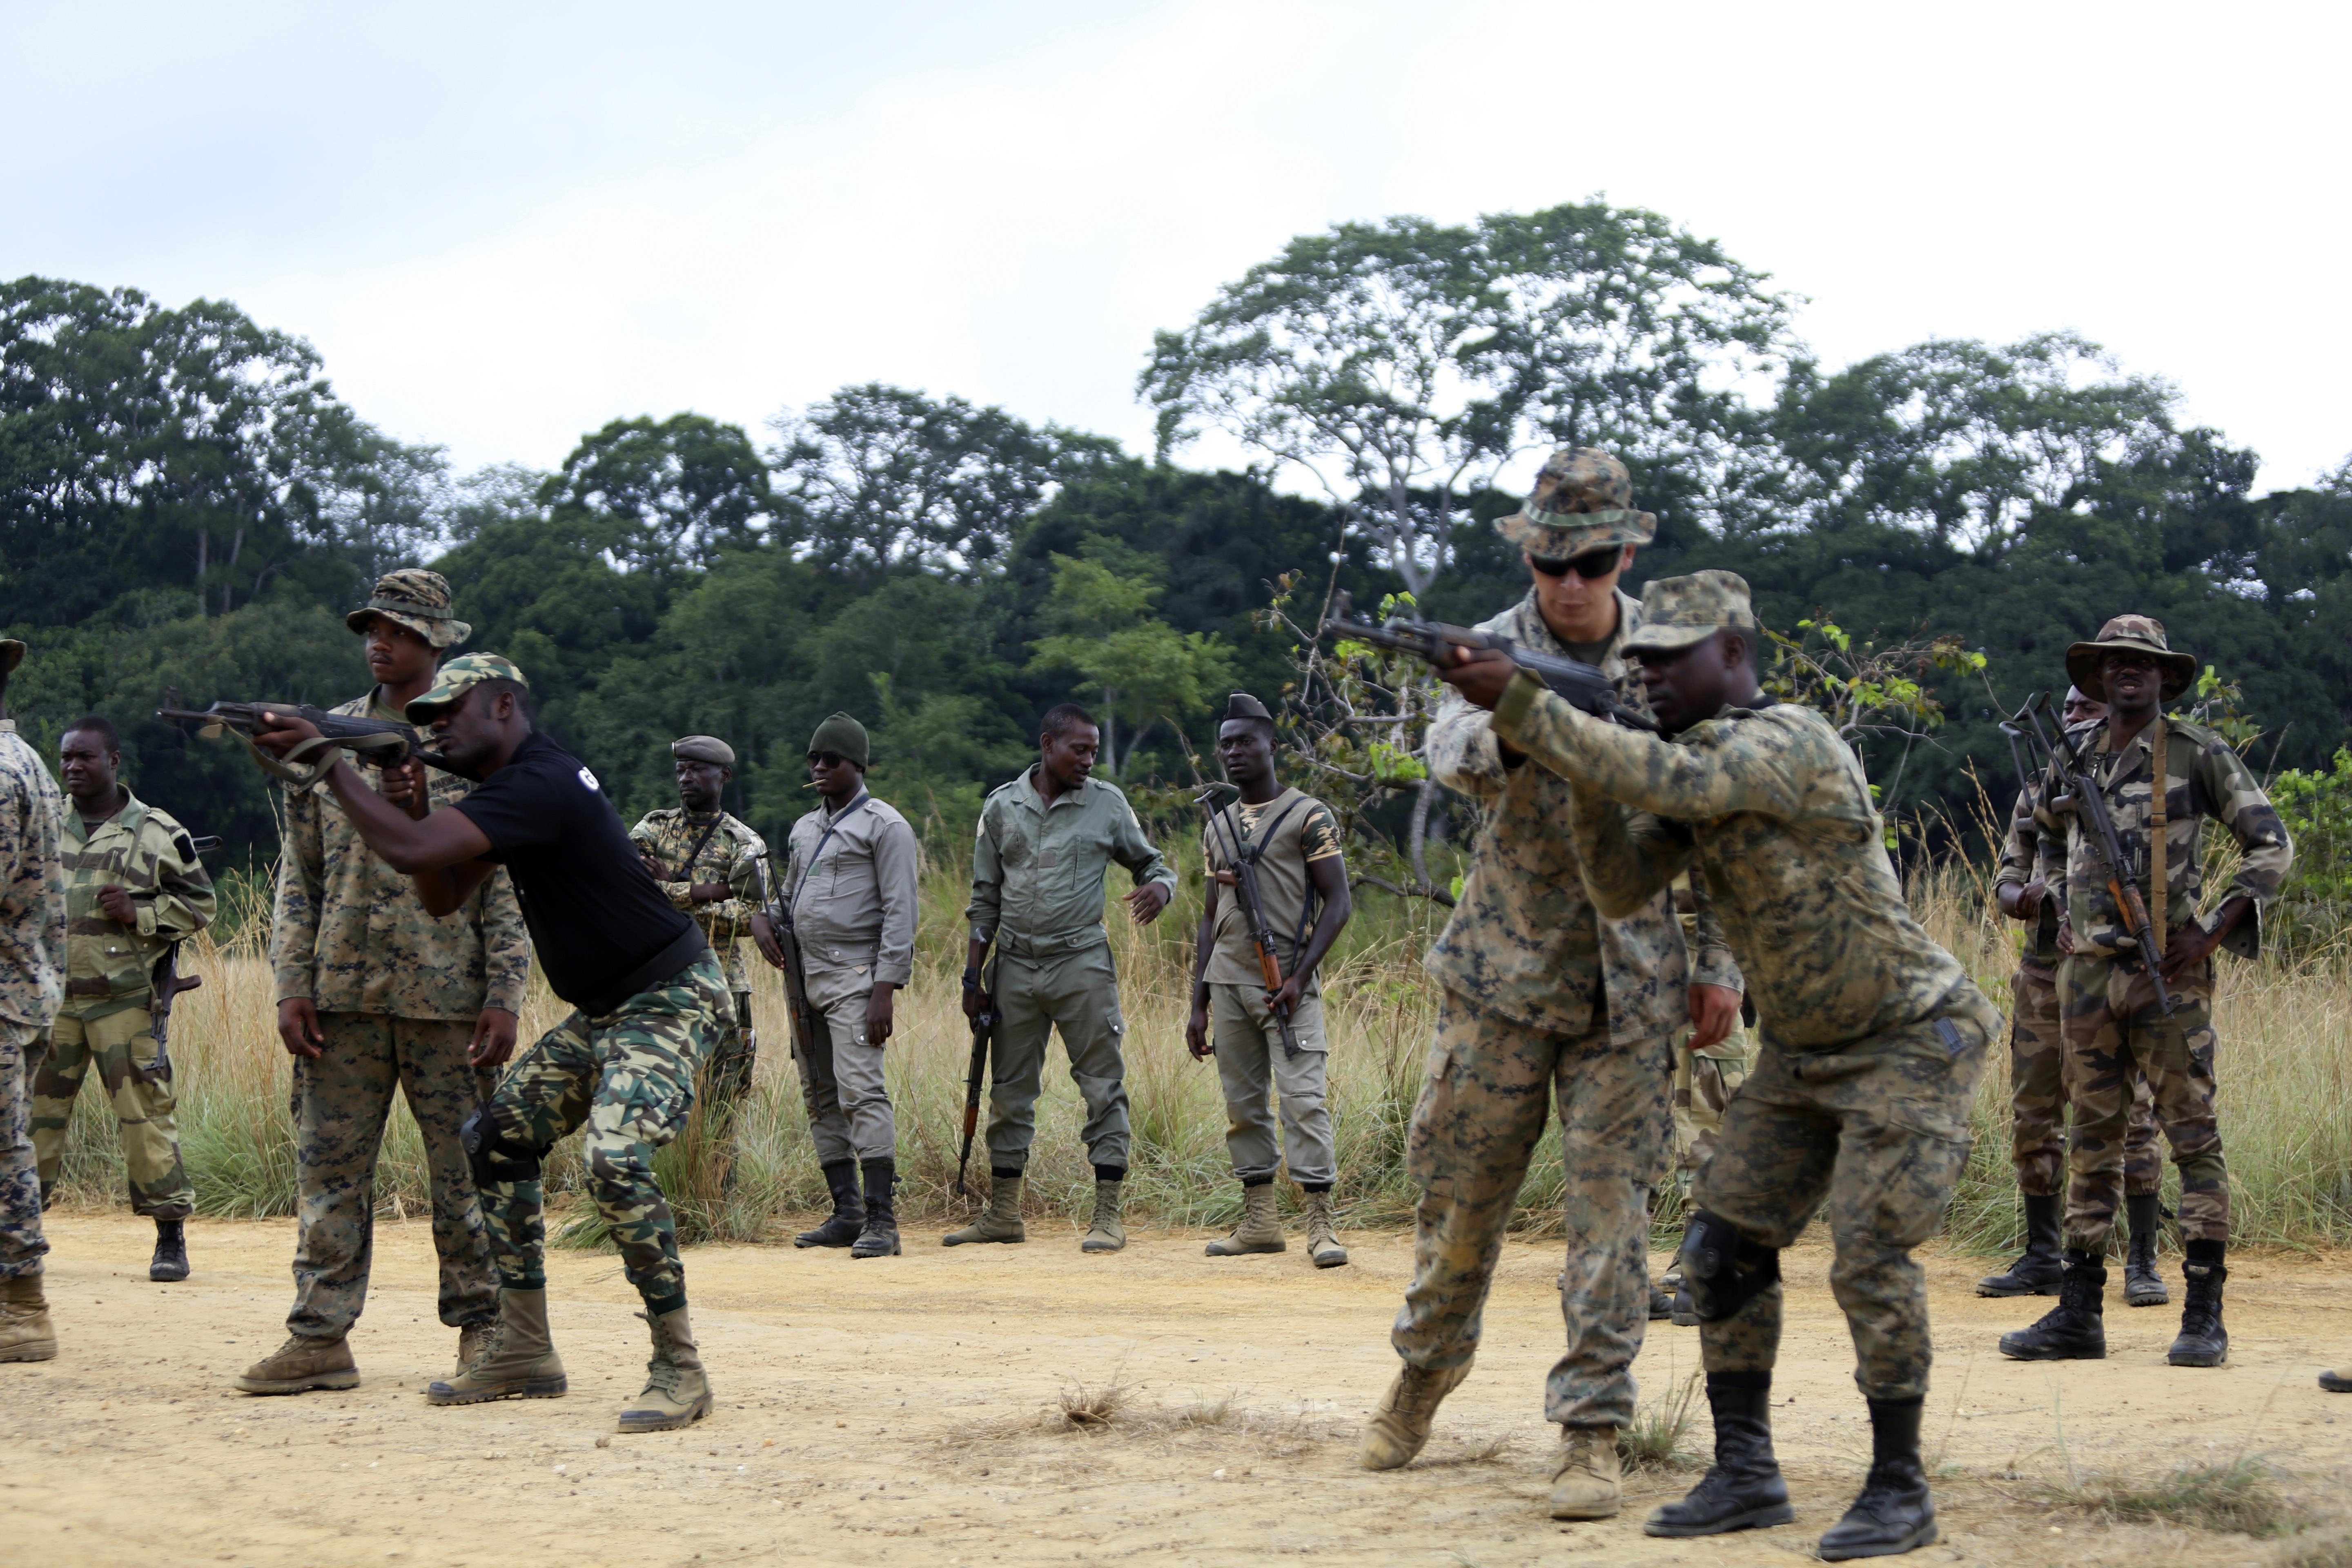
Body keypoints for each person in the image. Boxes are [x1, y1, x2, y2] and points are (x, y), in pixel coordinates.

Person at [1434, 569, 2002, 1560]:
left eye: (1668, 659)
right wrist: (1575, 767)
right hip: (1802, 1055)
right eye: (1638, 661)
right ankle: (1746, 1472)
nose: (1646, 675)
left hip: (1909, 1037)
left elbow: (1669, 784)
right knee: (1719, 1250)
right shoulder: (1683, 763)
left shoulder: (1784, 742)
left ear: (1733, 654)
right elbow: (1619, 883)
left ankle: (1899, 1487)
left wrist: (1529, 706)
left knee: (1868, 1256)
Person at [1360, 450, 1743, 1526]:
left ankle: (1592, 1426)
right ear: (1528, 556)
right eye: (1551, 562)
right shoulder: (1494, 647)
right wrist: (1513, 717)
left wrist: (1720, 964)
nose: (1570, 582)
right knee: (1458, 1201)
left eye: (1592, 561)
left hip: (1634, 985)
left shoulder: (1669, 658)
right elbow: (1451, 754)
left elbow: (1719, 816)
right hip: (1503, 975)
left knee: (1612, 1222)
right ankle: (1423, 1375)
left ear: (1626, 555)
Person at [250, 654, 728, 1434]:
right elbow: (441, 893)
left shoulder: (540, 782)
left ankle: (680, 1366)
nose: (435, 728)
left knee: (614, 1158)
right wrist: (410, 808)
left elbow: (412, 856)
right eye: (427, 719)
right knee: (495, 1138)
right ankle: (526, 1350)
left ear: (504, 707)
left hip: (671, 997)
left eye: (452, 713)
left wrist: (332, 766)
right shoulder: (512, 793)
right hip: (607, 1011)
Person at [239, 570, 528, 1398]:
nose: (380, 642)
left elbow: (506, 885)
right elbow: (300, 878)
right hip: (343, 997)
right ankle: (319, 1335)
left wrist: (505, 993)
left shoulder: (467, 744)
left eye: (399, 631)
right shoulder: (323, 740)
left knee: (466, 1174)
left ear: (437, 642)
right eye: (373, 628)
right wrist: (291, 983)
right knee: (329, 1171)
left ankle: (483, 1330)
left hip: (450, 1000)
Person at [1998, 616, 2291, 1370]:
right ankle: (2078, 1313)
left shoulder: (2196, 752)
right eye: (2115, 662)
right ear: (2099, 676)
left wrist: (2213, 932)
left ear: (2165, 677)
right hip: (2087, 978)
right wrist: (2058, 902)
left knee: (2193, 1139)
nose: (2127, 671)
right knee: (2093, 1141)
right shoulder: (2073, 753)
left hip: (2170, 976)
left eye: (2143, 663)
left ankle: (2203, 1316)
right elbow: (2043, 831)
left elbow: (2270, 843)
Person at [950, 703, 1176, 1254]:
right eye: (1080, 749)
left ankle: (1108, 1216)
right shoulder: (1001, 806)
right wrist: (973, 978)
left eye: (1094, 751)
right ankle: (1004, 1215)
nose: (1089, 760)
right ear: (1048, 745)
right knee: (1009, 1092)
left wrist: (1161, 887)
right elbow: (984, 899)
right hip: (1014, 967)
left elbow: (1152, 863)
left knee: (1102, 1086)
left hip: (1081, 965)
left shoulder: (1107, 804)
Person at [1978, 686, 2169, 1307]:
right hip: (2044, 974)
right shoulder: (2040, 789)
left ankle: (2142, 1260)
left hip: (2110, 973)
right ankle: (2042, 1255)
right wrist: (2028, 897)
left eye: (2087, 708)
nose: (2073, 718)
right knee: (2034, 1113)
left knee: (2129, 1117)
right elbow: (2006, 881)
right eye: (2068, 709)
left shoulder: (2138, 787)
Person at [33, 716, 213, 1281]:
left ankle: (169, 1237)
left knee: (146, 1121)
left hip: (124, 1003)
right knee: (30, 1121)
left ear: (113, 761)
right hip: (49, 1004)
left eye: (84, 757)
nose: (72, 767)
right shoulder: (41, 822)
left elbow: (202, 906)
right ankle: (16, 1233)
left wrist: (142, 913)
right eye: (66, 758)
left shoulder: (156, 832)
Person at [1183, 693, 1354, 1267]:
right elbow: (1211, 916)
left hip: (1287, 984)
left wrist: (1302, 977)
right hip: (1228, 985)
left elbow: (1338, 903)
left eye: (1245, 741)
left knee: (1304, 1101)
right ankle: (1259, 1222)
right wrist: (1198, 1003)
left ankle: (1321, 1224)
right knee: (1243, 1106)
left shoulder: (1309, 815)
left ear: (1272, 746)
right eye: (1226, 744)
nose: (1234, 752)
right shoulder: (1218, 826)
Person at [749, 713, 918, 1259]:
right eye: (814, 759)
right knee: (819, 1093)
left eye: (832, 760)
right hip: (805, 978)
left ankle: (882, 1220)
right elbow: (790, 896)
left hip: (856, 977)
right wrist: (762, 919)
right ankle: (847, 1213)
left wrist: (885, 989)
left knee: (861, 1091)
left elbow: (901, 912)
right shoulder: (804, 829)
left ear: (858, 765)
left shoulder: (885, 827)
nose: (819, 768)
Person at [630, 736, 766, 1138]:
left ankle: (717, 1180)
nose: (686, 778)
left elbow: (751, 916)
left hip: (722, 985)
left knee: (722, 1102)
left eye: (697, 770)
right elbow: (628, 891)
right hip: (659, 983)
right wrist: (708, 892)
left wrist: (670, 892)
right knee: (649, 1099)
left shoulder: (743, 842)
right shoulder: (654, 828)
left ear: (724, 775)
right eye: (681, 770)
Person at [0, 638, 65, 1363]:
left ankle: (22, 1306)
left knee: (2, 1150)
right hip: (24, 983)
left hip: (5, 991)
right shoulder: (26, 759)